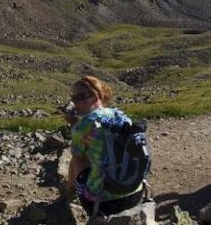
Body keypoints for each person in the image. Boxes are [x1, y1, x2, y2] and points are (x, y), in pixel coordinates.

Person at [60, 76, 147, 217]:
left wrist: (73, 124)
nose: (75, 103)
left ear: (95, 97)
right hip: (136, 193)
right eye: (73, 98)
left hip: (102, 203)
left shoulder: (83, 126)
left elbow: (78, 155)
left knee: (77, 160)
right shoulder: (121, 116)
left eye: (80, 97)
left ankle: (68, 197)